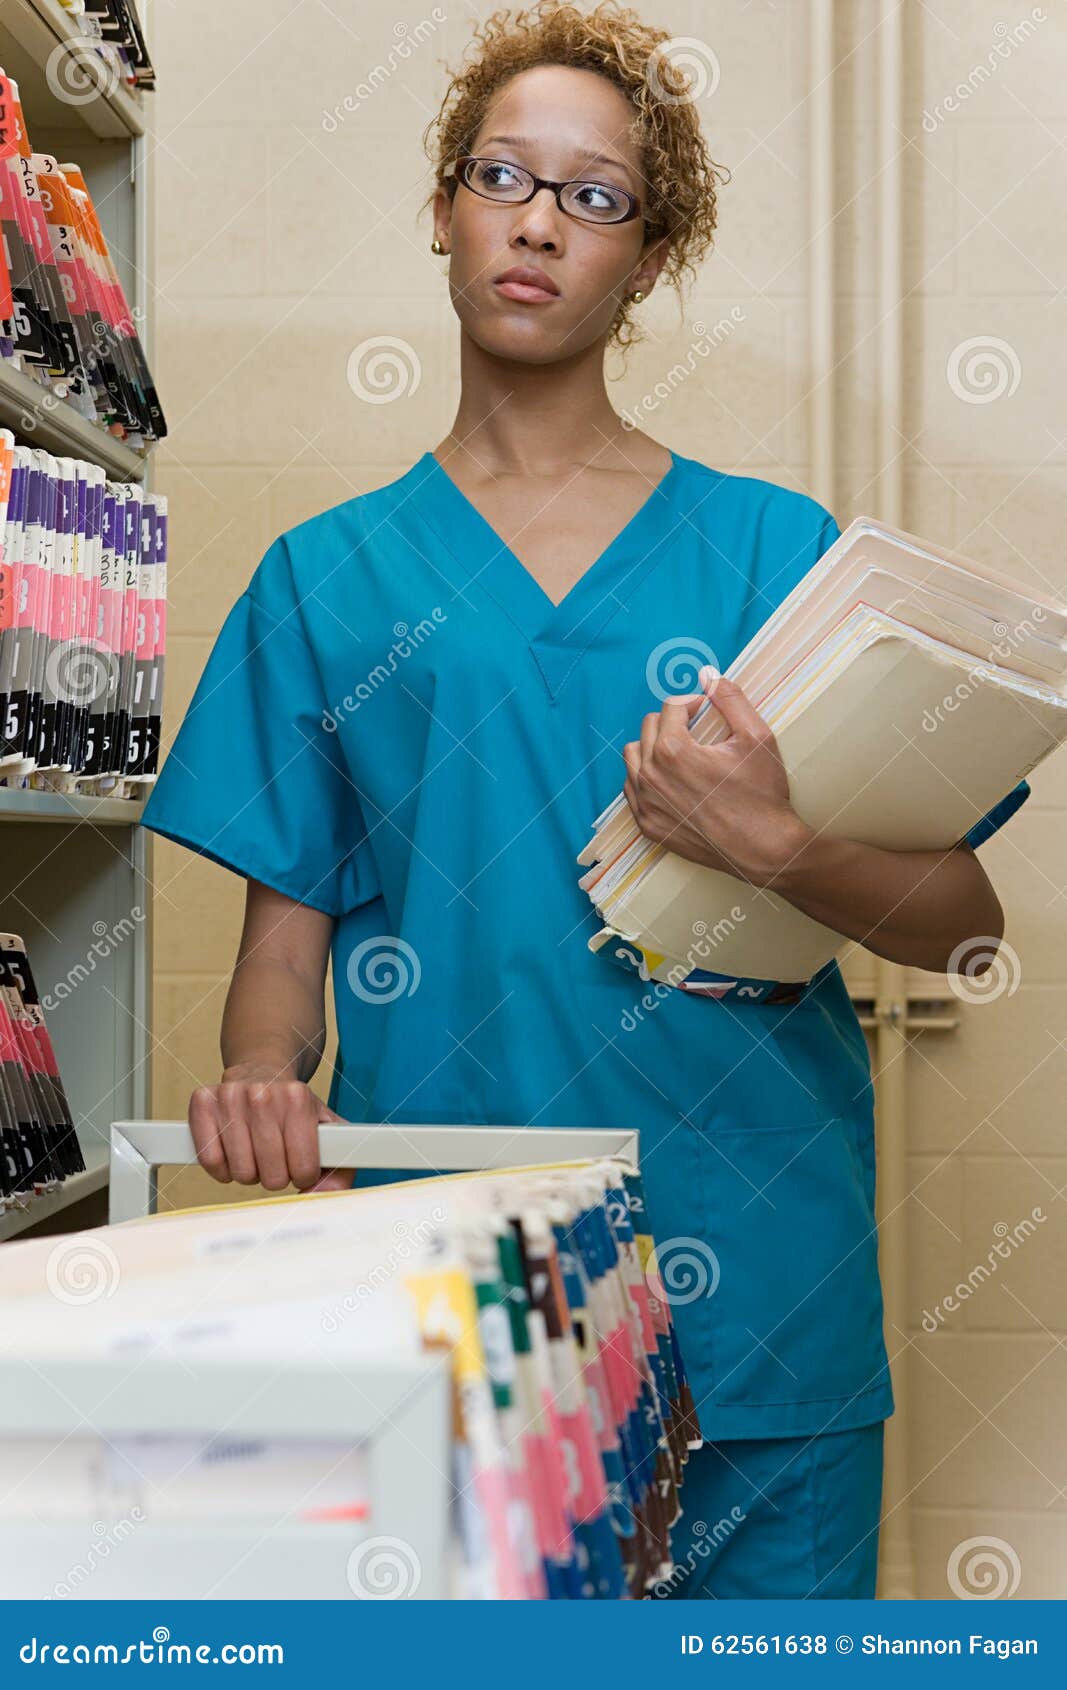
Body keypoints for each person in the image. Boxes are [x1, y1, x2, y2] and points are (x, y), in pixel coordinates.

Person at [141, 0, 1030, 1600]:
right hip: (458, 1287)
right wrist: (263, 1072)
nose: (542, 219)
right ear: (444, 212)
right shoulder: (326, 578)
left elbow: (966, 922)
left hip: (759, 1294)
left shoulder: (775, 554)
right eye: (505, 175)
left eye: (598, 194)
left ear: (648, 253)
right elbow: (286, 940)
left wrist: (767, 842)